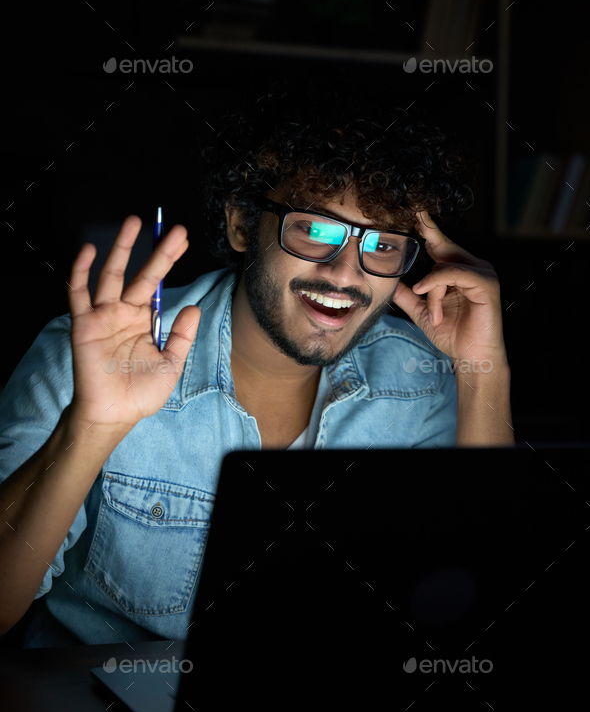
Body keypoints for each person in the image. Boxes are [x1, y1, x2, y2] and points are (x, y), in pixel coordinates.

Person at [0, 73, 513, 647]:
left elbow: (476, 595)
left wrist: (482, 369)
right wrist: (91, 428)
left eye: (382, 245)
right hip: (104, 697)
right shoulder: (96, 358)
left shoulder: (420, 381)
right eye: (315, 229)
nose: (345, 274)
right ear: (243, 224)